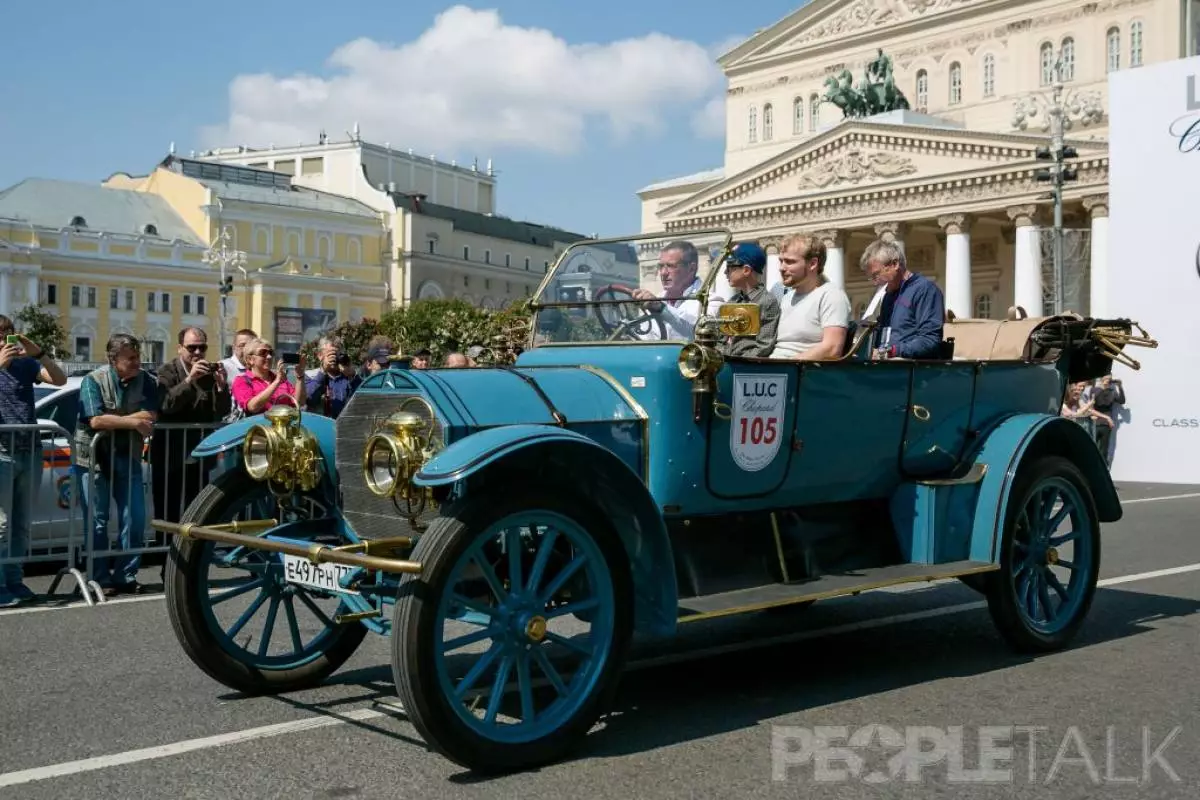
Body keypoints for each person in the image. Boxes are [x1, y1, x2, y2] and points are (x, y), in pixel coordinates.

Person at [74, 334, 158, 596]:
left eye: (138, 356)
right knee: (97, 522)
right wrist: (133, 422)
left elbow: (151, 414)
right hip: (93, 460)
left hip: (128, 456)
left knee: (134, 519)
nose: (137, 362)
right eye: (130, 358)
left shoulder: (147, 381)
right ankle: (99, 577)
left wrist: (116, 419)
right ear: (113, 360)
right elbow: (96, 421)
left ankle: (126, 575)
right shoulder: (92, 380)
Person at [0, 315, 67, 606]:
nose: (5, 339)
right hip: (1, 452)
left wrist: (38, 352)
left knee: (20, 523)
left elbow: (61, 380)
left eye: (9, 333)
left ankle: (14, 580)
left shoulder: (25, 365)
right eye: (0, 333)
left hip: (29, 450)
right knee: (0, 524)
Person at [152, 326, 232, 524]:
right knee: (167, 507)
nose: (198, 352)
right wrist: (189, 379)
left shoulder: (208, 373)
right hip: (170, 453)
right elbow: (166, 405)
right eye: (192, 347)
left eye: (202, 347)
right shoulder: (167, 371)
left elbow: (220, 412)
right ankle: (165, 550)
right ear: (180, 348)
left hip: (198, 454)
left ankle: (192, 552)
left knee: (196, 509)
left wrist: (222, 387)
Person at [769, 234, 853, 360]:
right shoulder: (787, 297)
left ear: (813, 263)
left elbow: (832, 348)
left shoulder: (831, 296)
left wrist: (788, 365)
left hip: (799, 372)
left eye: (790, 262)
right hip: (772, 368)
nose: (781, 268)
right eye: (781, 261)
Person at [860, 238, 946, 360]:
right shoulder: (888, 294)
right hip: (887, 364)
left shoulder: (925, 290)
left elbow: (930, 340)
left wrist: (892, 352)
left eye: (876, 275)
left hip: (912, 369)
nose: (875, 283)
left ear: (895, 264)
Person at [630, 240, 725, 340]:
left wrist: (661, 308)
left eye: (670, 266)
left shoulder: (711, 301)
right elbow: (644, 337)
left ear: (691, 268)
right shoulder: (655, 301)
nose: (663, 272)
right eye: (661, 266)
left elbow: (695, 332)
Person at [717, 242, 780, 358]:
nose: (725, 272)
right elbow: (719, 339)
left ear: (746, 270)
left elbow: (764, 347)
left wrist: (736, 359)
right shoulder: (732, 302)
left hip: (747, 368)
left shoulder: (766, 302)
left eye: (730, 268)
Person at [230, 338, 307, 414]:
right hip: (258, 425)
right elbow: (252, 407)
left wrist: (300, 376)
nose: (269, 357)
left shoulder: (280, 379)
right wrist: (277, 382)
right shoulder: (242, 381)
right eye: (263, 353)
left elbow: (299, 403)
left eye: (271, 353)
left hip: (283, 425)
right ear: (250, 359)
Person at [305, 336, 361, 419]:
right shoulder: (310, 375)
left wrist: (353, 376)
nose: (334, 358)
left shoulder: (350, 376)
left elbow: (363, 401)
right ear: (320, 355)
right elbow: (309, 399)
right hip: (320, 427)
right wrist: (323, 372)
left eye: (337, 354)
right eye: (331, 354)